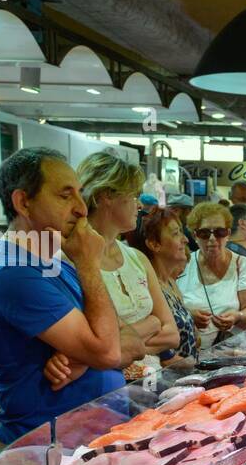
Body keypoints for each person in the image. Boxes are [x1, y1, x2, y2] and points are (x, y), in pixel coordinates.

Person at [0, 147, 125, 445]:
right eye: (65, 196)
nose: (81, 209)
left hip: (84, 438)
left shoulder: (51, 263)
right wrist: (89, 265)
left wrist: (80, 360)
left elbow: (120, 335)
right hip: (44, 449)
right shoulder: (11, 273)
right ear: (23, 202)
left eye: (80, 194)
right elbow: (109, 351)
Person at [49, 152, 177, 384]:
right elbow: (88, 349)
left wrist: (110, 349)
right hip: (103, 391)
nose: (139, 205)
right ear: (106, 195)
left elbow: (171, 333)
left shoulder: (136, 258)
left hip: (152, 385)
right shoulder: (65, 262)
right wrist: (150, 325)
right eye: (133, 196)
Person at [178, 201, 246, 349]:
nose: (212, 239)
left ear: (228, 234)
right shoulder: (182, 264)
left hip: (230, 350)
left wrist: (237, 316)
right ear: (195, 235)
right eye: (204, 233)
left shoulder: (242, 264)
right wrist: (188, 315)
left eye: (219, 232)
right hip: (187, 351)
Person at [129, 207, 199, 364]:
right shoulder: (146, 290)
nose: (185, 240)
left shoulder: (170, 283)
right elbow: (161, 354)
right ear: (154, 245)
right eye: (176, 233)